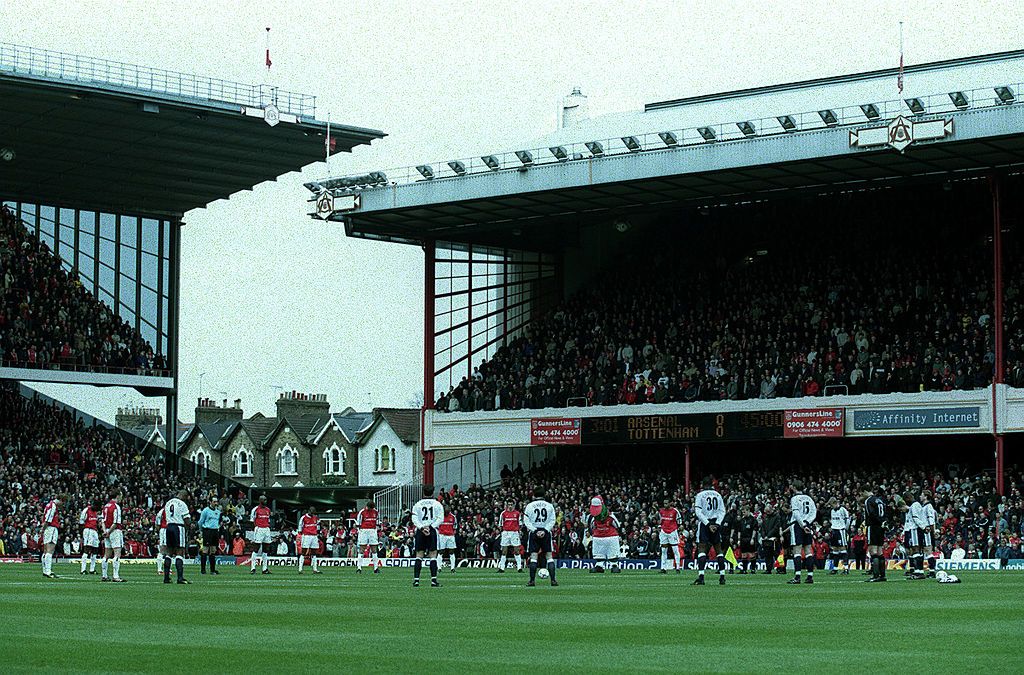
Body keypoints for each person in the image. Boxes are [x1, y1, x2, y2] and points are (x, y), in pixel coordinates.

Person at [693, 478, 727, 585]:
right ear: (712, 484)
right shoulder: (718, 495)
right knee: (719, 550)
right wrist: (717, 524)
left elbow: (698, 512)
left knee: (702, 549)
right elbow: (722, 511)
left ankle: (701, 577)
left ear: (703, 484)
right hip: (715, 523)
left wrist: (708, 524)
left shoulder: (700, 495)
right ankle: (722, 577)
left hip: (705, 523)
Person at [783, 480, 817, 585]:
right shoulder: (809, 498)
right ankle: (810, 576)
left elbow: (796, 514)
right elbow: (813, 512)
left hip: (798, 525)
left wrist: (802, 525)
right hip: (808, 524)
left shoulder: (794, 499)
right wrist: (807, 523)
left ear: (794, 487)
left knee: (797, 550)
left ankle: (797, 576)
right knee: (808, 550)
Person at [523, 486, 558, 587]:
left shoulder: (529, 506)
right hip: (546, 531)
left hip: (534, 532)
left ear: (534, 495)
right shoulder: (549, 506)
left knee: (534, 556)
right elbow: (552, 520)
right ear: (544, 494)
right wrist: (545, 530)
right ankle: (553, 580)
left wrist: (535, 530)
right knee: (549, 557)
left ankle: (532, 581)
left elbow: (526, 521)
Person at [411, 485, 444, 587]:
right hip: (432, 530)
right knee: (433, 555)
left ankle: (416, 580)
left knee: (419, 555)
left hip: (421, 531)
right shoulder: (437, 504)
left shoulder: (418, 504)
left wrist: (422, 528)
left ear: (423, 493)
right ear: (432, 493)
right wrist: (430, 527)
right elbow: (440, 518)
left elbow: (414, 518)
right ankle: (433, 580)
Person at [586, 495, 622, 573]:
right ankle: (600, 565)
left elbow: (591, 526)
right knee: (600, 552)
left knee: (610, 550)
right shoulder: (597, 516)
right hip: (600, 537)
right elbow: (617, 525)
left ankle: (614, 564)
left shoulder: (609, 515)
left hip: (607, 536)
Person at [163, 490, 192, 585]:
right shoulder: (182, 504)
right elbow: (186, 519)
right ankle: (180, 578)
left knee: (169, 552)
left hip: (169, 527)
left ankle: (166, 577)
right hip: (178, 527)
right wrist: (189, 528)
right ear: (184, 495)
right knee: (180, 551)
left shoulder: (168, 503)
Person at [861, 486, 888, 582]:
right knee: (880, 551)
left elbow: (871, 514)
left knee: (873, 551)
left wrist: (878, 521)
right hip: (881, 527)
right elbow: (885, 513)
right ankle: (882, 575)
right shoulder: (880, 500)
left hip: (872, 526)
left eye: (862, 493)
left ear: (865, 492)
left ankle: (875, 575)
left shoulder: (869, 501)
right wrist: (883, 522)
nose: (862, 496)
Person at [901, 492, 928, 579]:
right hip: (916, 530)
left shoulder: (915, 505)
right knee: (917, 550)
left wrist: (924, 527)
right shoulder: (915, 505)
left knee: (916, 549)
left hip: (915, 530)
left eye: (906, 500)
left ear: (908, 498)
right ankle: (919, 571)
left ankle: (919, 572)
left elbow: (916, 518)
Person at [101, 490, 126, 582]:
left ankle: (104, 575)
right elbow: (116, 522)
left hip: (107, 529)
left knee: (106, 554)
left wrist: (105, 532)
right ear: (117, 495)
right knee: (117, 553)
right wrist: (110, 532)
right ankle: (115, 576)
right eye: (121, 496)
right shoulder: (116, 507)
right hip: (114, 531)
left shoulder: (105, 506)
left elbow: (102, 521)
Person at [826, 497, 851, 575]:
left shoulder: (843, 510)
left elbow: (847, 520)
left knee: (843, 548)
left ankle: (846, 569)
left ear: (835, 503)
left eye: (831, 504)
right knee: (835, 550)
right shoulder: (832, 511)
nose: (831, 506)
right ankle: (835, 568)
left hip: (841, 530)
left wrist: (845, 529)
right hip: (834, 531)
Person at [198, 496, 222, 575]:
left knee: (213, 550)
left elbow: (218, 522)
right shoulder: (205, 511)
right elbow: (200, 522)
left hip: (215, 531)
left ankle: (212, 570)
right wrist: (201, 531)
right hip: (207, 531)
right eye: (214, 502)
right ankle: (203, 570)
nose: (216, 503)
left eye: (216, 502)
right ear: (210, 502)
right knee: (205, 550)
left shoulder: (218, 512)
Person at [355, 500, 381, 574]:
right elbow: (358, 523)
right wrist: (360, 531)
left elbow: (378, 522)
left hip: (373, 531)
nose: (371, 510)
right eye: (370, 508)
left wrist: (377, 530)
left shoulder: (375, 512)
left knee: (374, 549)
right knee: (362, 549)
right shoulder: (362, 512)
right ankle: (359, 568)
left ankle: (376, 568)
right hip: (364, 531)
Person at [497, 500, 523, 573]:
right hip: (506, 533)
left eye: (511, 504)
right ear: (507, 505)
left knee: (517, 550)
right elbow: (501, 525)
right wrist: (503, 533)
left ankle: (519, 568)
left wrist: (518, 531)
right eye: (509, 505)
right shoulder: (503, 514)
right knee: (504, 551)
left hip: (514, 533)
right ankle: (501, 568)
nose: (510, 506)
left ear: (514, 505)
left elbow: (520, 524)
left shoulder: (517, 513)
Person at [658, 498, 683, 574]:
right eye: (664, 503)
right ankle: (663, 568)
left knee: (675, 550)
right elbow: (660, 521)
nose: (665, 505)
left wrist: (677, 529)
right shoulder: (661, 511)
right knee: (663, 550)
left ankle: (678, 567)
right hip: (664, 532)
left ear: (670, 503)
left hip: (672, 532)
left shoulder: (675, 511)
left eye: (666, 503)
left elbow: (679, 521)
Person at [250, 495, 272, 575]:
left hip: (266, 529)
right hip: (259, 529)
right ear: (260, 500)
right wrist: (255, 529)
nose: (266, 501)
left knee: (266, 549)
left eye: (266, 499)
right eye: (264, 500)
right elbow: (252, 521)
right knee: (256, 548)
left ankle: (265, 569)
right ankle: (253, 568)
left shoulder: (268, 510)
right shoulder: (255, 509)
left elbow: (268, 520)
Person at [759, 502, 783, 575]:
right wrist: (764, 536)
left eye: (768, 511)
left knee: (777, 554)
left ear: (771, 509)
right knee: (767, 555)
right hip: (766, 539)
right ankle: (768, 569)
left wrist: (768, 535)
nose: (767, 513)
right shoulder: (765, 517)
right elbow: (762, 528)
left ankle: (780, 569)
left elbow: (776, 527)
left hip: (775, 538)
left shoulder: (777, 517)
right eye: (766, 512)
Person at [41, 496, 61, 579]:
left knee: (46, 550)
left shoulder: (48, 505)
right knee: (50, 549)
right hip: (51, 528)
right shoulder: (53, 506)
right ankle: (48, 571)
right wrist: (43, 529)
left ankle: (45, 570)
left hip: (48, 528)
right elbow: (48, 518)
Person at [297, 506, 322, 574]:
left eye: (314, 512)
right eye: (312, 512)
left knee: (314, 553)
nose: (313, 514)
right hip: (306, 536)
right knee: (304, 552)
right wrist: (301, 534)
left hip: (314, 536)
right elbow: (300, 526)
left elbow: (318, 525)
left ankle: (315, 569)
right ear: (309, 511)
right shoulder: (303, 517)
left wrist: (318, 533)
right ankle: (300, 569)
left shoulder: (315, 518)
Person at [79, 499, 100, 575]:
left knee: (95, 550)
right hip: (88, 530)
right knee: (87, 549)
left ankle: (92, 569)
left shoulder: (95, 512)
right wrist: (82, 534)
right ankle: (83, 569)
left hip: (94, 531)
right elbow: (81, 521)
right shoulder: (86, 510)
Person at [736, 504, 759, 574]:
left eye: (744, 512)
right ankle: (744, 569)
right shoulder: (742, 520)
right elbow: (739, 531)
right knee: (744, 555)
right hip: (743, 539)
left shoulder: (753, 520)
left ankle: (753, 569)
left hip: (750, 538)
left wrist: (752, 538)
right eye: (742, 512)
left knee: (752, 554)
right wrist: (739, 540)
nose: (743, 513)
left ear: (748, 511)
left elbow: (754, 530)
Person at [921, 490, 938, 577]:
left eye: (922, 495)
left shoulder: (929, 506)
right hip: (924, 529)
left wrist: (933, 531)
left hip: (927, 530)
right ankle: (930, 570)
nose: (920, 496)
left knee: (928, 550)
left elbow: (931, 520)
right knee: (925, 550)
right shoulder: (923, 506)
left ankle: (932, 571)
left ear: (926, 496)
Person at [436, 509, 458, 573]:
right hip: (442, 536)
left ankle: (452, 568)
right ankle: (439, 568)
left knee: (451, 551)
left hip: (450, 536)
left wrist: (452, 533)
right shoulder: (440, 517)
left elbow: (455, 526)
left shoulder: (453, 517)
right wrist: (441, 532)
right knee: (441, 551)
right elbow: (436, 526)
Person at [155, 502, 168, 576]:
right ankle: (159, 569)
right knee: (163, 548)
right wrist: (160, 530)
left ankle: (168, 568)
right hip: (164, 530)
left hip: (169, 530)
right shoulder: (162, 511)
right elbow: (157, 522)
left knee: (169, 549)